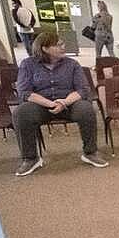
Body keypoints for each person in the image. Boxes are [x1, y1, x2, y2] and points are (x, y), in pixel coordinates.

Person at [12, 31, 109, 176]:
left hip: (68, 103)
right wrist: (50, 104)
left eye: (62, 44)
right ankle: (30, 158)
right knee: (21, 113)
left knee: (86, 109)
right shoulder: (28, 64)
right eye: (58, 45)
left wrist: (64, 102)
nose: (63, 46)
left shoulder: (72, 64)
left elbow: (83, 89)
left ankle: (90, 152)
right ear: (44, 48)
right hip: (41, 105)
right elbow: (24, 92)